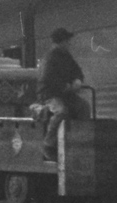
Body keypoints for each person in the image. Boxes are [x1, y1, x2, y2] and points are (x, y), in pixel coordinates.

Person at [37, 27, 88, 158]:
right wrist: (63, 86)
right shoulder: (49, 58)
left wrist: (78, 80)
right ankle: (48, 143)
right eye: (67, 41)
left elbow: (77, 71)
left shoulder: (67, 57)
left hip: (66, 94)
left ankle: (79, 141)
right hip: (50, 95)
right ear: (61, 42)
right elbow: (47, 78)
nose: (70, 43)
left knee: (84, 106)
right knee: (61, 112)